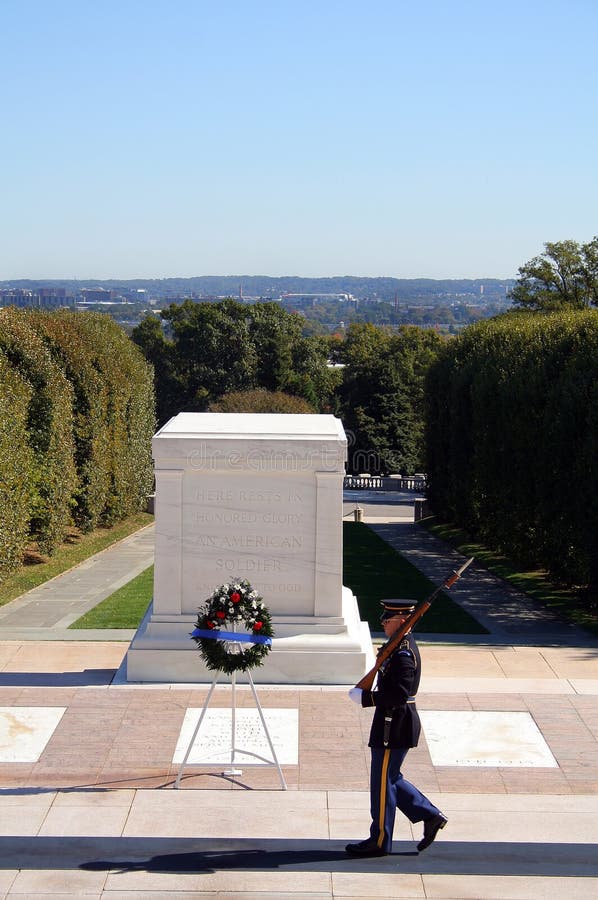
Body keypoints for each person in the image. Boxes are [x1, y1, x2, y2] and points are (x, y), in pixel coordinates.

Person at [346, 599, 447, 857]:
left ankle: (379, 840)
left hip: (395, 724)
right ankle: (430, 815)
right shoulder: (398, 647)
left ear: (402, 621)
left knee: (382, 781)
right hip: (393, 722)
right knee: (389, 778)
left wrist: (367, 698)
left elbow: (399, 694)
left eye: (387, 619)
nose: (383, 622)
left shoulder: (403, 653)